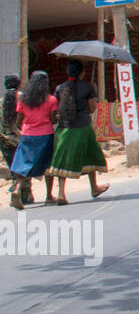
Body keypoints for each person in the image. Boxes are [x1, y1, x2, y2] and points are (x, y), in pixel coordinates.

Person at [49, 60, 109, 203]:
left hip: (64, 128)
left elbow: (57, 109)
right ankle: (94, 187)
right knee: (90, 154)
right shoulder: (87, 87)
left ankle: (61, 193)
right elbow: (92, 108)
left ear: (67, 72)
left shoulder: (59, 88)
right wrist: (93, 89)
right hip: (83, 126)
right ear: (82, 72)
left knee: (61, 159)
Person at [8, 70, 59, 209]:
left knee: (23, 163)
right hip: (46, 135)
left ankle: (17, 190)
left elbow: (19, 121)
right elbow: (53, 120)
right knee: (47, 164)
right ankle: (49, 195)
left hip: (27, 134)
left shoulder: (23, 100)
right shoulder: (51, 100)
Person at [2, 74, 26, 203]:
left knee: (13, 169)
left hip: (5, 140)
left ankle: (14, 192)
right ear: (19, 83)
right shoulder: (22, 98)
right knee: (23, 168)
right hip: (21, 138)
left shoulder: (1, 100)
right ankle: (25, 195)